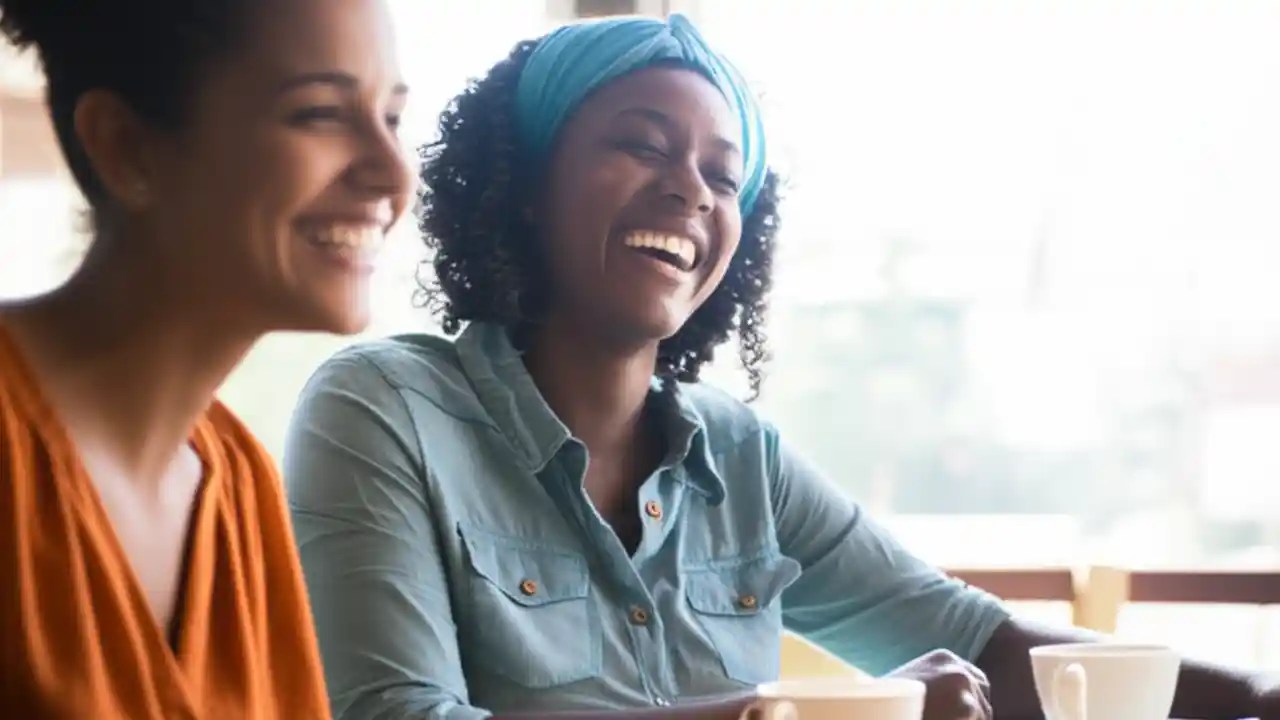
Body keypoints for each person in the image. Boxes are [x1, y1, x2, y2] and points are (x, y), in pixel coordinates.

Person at [283, 13, 1279, 720]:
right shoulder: (382, 410)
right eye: (640, 145)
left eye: (725, 176)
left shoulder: (737, 456)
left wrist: (1255, 695)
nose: (689, 191)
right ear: (526, 183)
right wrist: (797, 715)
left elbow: (972, 638)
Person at [0, 0, 414, 717]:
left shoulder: (241, 483)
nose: (392, 172)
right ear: (127, 147)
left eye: (394, 118)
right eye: (319, 113)